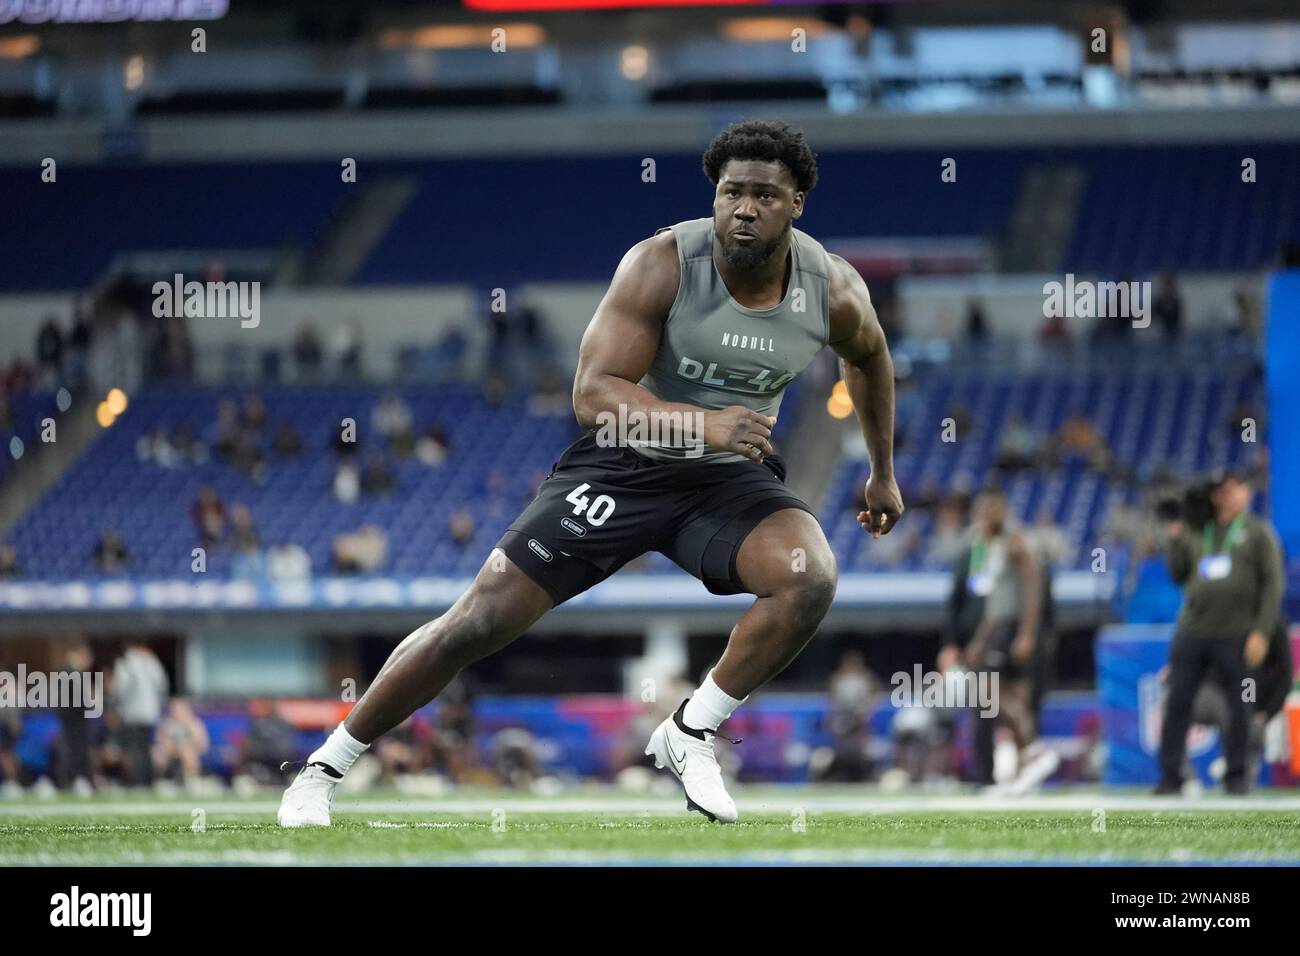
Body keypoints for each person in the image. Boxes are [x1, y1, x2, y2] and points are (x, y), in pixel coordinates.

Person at [279, 119, 903, 826]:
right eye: (732, 192)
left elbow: (872, 358)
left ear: (797, 205)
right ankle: (322, 769)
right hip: (625, 464)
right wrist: (704, 423)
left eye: (764, 194)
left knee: (809, 576)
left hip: (725, 477)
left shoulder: (833, 290)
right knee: (478, 620)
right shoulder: (662, 263)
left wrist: (882, 471)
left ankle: (690, 730)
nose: (744, 208)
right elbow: (593, 397)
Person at [1155, 470, 1284, 795]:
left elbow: (1273, 584)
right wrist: (1175, 536)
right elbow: (1178, 572)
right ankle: (1171, 776)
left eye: (1238, 488)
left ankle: (1237, 775)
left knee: (1241, 703)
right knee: (1176, 701)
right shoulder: (1200, 530)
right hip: (1193, 630)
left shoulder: (1257, 533)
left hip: (1236, 632)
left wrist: (1261, 632)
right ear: (1216, 497)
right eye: (1226, 490)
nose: (1233, 494)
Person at [938, 488, 1056, 791]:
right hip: (998, 628)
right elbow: (995, 601)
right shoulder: (989, 546)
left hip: (1014, 627)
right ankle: (1027, 762)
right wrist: (979, 640)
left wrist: (1028, 632)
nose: (982, 519)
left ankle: (1032, 751)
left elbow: (1033, 587)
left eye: (988, 512)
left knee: (988, 690)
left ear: (999, 512)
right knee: (1002, 694)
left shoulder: (1016, 540)